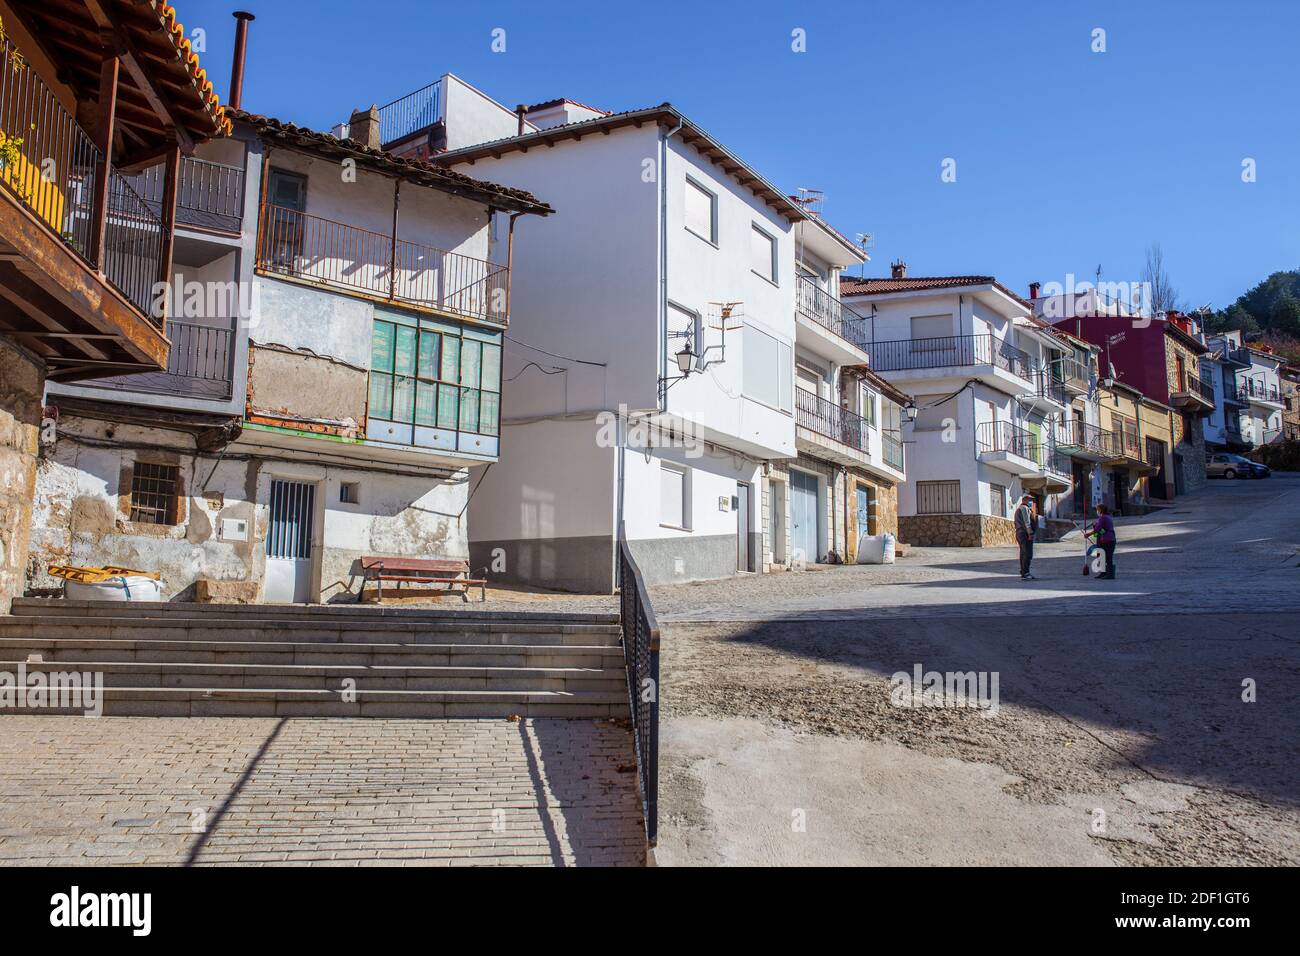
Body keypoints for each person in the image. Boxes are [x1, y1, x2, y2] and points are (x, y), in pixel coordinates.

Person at [1086, 503, 1117, 579]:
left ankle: (1110, 574)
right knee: (1102, 557)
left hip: (1107, 540)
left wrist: (1088, 534)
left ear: (1100, 510)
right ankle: (1103, 573)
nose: (1097, 511)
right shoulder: (1108, 517)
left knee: (1107, 557)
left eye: (1097, 509)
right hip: (1108, 539)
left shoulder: (1103, 518)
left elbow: (1098, 529)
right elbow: (1102, 529)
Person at [1013, 494, 1036, 580]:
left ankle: (1024, 571)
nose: (1031, 501)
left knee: (1024, 553)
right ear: (1024, 499)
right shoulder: (1024, 508)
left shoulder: (1022, 508)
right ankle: (1025, 573)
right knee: (1027, 553)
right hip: (1024, 533)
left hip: (1021, 533)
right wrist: (1030, 533)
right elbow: (1027, 522)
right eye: (1029, 499)